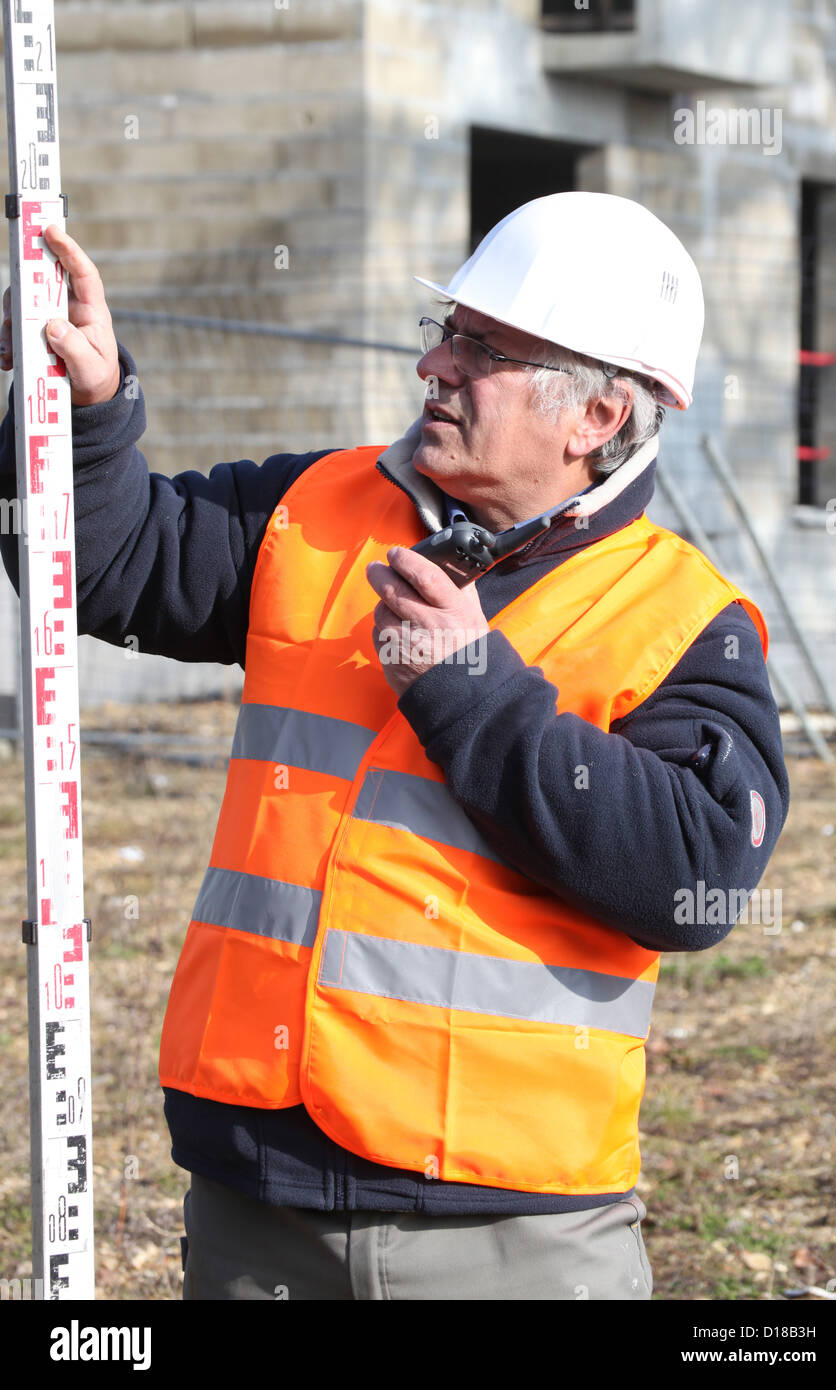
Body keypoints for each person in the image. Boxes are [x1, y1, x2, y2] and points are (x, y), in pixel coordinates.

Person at [0, 192, 789, 1301]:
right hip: (259, 1203)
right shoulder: (313, 509)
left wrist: (469, 689)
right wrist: (84, 415)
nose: (435, 367)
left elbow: (694, 875)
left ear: (596, 418)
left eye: (482, 349)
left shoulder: (679, 618)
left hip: (509, 1231)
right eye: (445, 333)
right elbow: (101, 564)